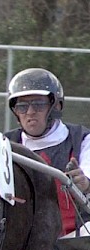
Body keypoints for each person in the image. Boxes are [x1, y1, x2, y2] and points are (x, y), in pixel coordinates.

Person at [5, 67, 90, 237]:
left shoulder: (82, 139)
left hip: (75, 240)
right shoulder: (4, 145)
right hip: (22, 243)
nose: (30, 112)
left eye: (38, 104)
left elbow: (87, 177)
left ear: (56, 106)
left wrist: (85, 185)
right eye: (22, 106)